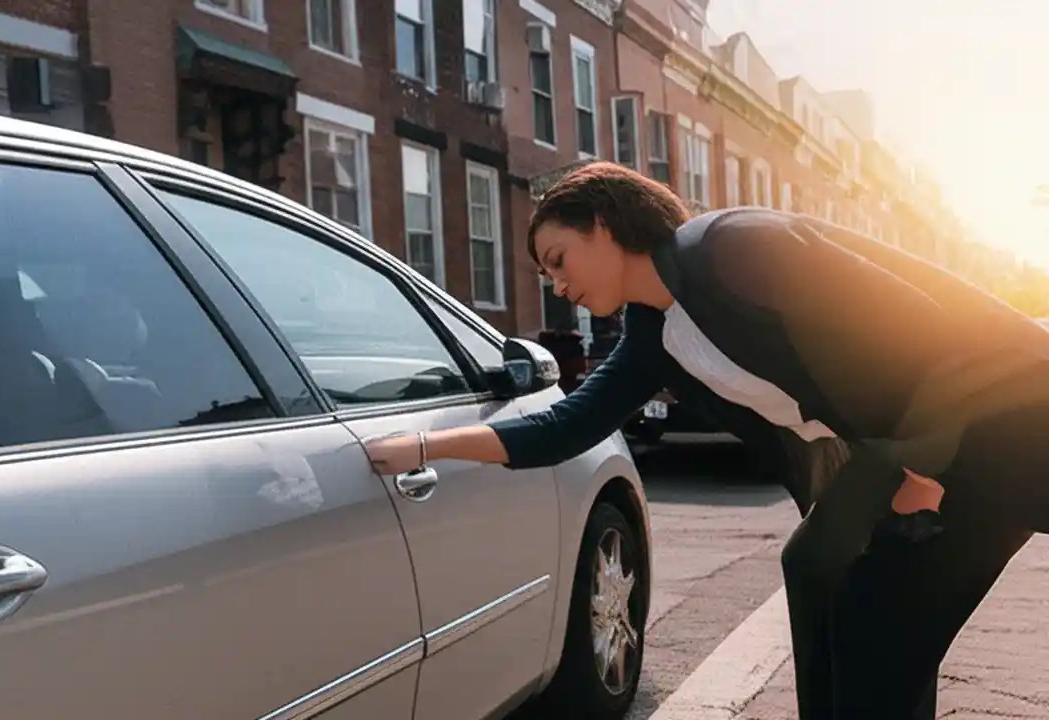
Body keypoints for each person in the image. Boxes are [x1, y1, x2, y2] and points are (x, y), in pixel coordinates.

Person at [364, 162, 1049, 718]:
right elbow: (567, 425)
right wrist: (426, 449)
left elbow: (919, 330)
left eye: (559, 258)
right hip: (921, 453)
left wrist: (924, 466)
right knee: (834, 589)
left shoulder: (733, 247)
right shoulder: (654, 333)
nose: (558, 284)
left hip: (1003, 413)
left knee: (866, 619)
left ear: (603, 225)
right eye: (547, 275)